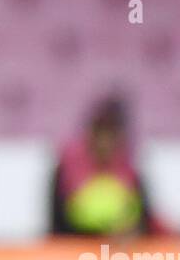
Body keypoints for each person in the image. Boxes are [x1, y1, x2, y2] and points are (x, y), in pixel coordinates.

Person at [50, 96, 168, 236]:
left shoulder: (130, 173)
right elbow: (57, 222)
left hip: (119, 250)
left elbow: (144, 216)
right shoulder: (67, 171)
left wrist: (132, 231)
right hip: (76, 247)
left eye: (110, 136)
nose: (104, 143)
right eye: (100, 134)